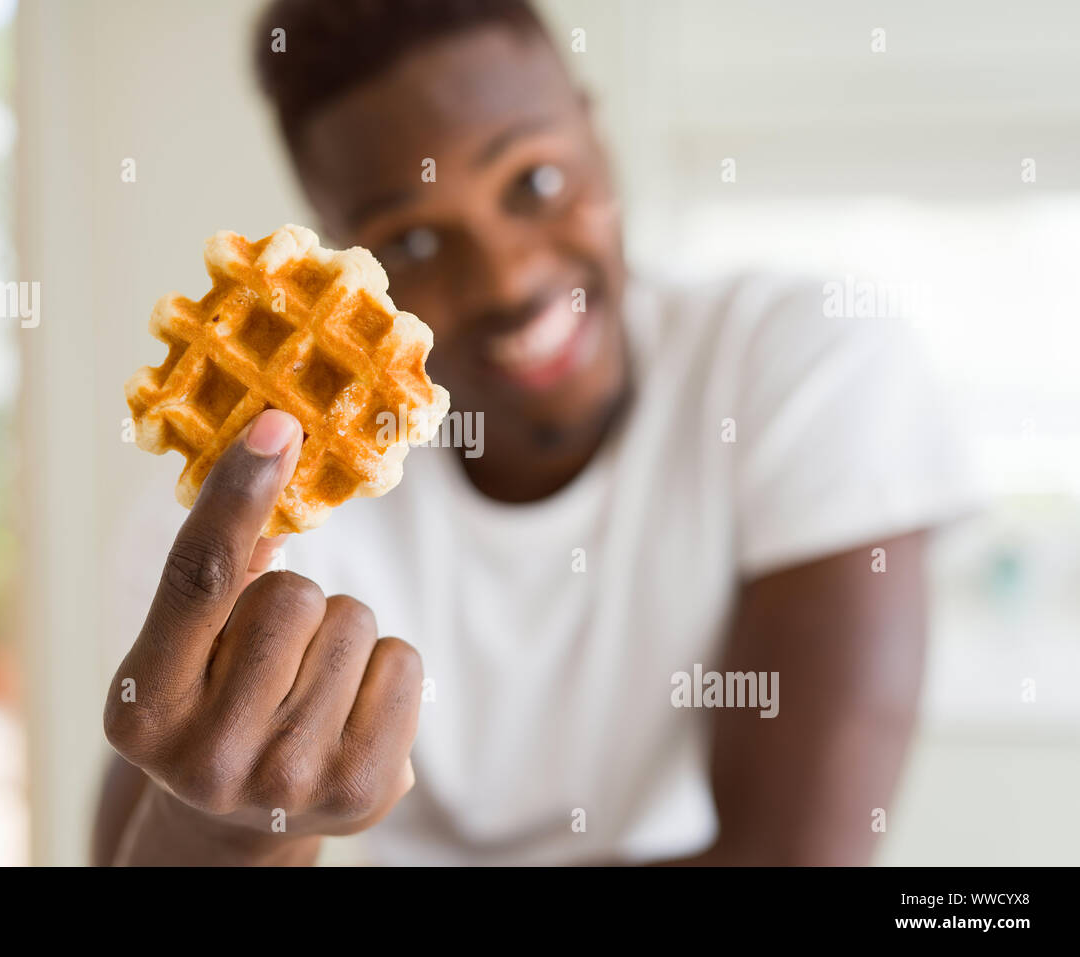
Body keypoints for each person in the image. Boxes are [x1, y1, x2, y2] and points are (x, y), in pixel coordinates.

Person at [93, 0, 978, 866]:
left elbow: (794, 857)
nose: (509, 281)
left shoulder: (800, 364)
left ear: (596, 133)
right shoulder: (248, 509)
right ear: (348, 260)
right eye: (416, 240)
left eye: (536, 181)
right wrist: (223, 831)